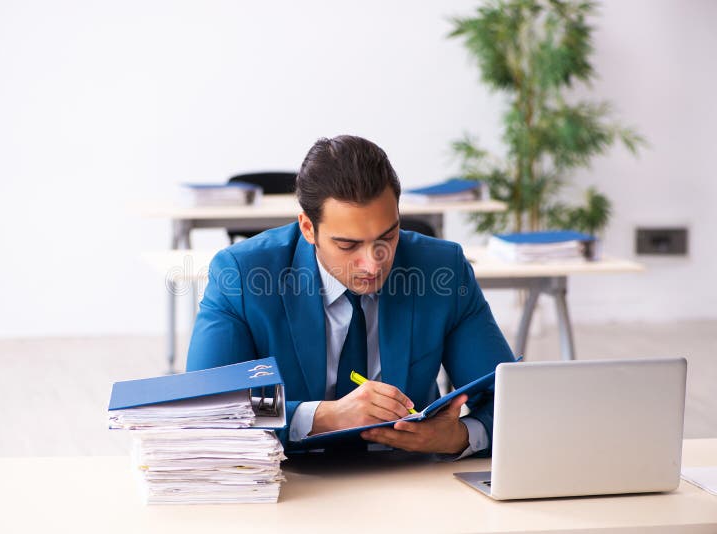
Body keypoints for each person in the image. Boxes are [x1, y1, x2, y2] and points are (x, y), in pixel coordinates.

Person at [186, 135, 515, 456]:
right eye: (348, 245)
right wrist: (321, 417)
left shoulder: (442, 269)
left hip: (409, 479)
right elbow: (207, 406)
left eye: (388, 236)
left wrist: (460, 435)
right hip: (291, 481)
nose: (373, 263)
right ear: (308, 228)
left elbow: (510, 398)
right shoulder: (240, 274)